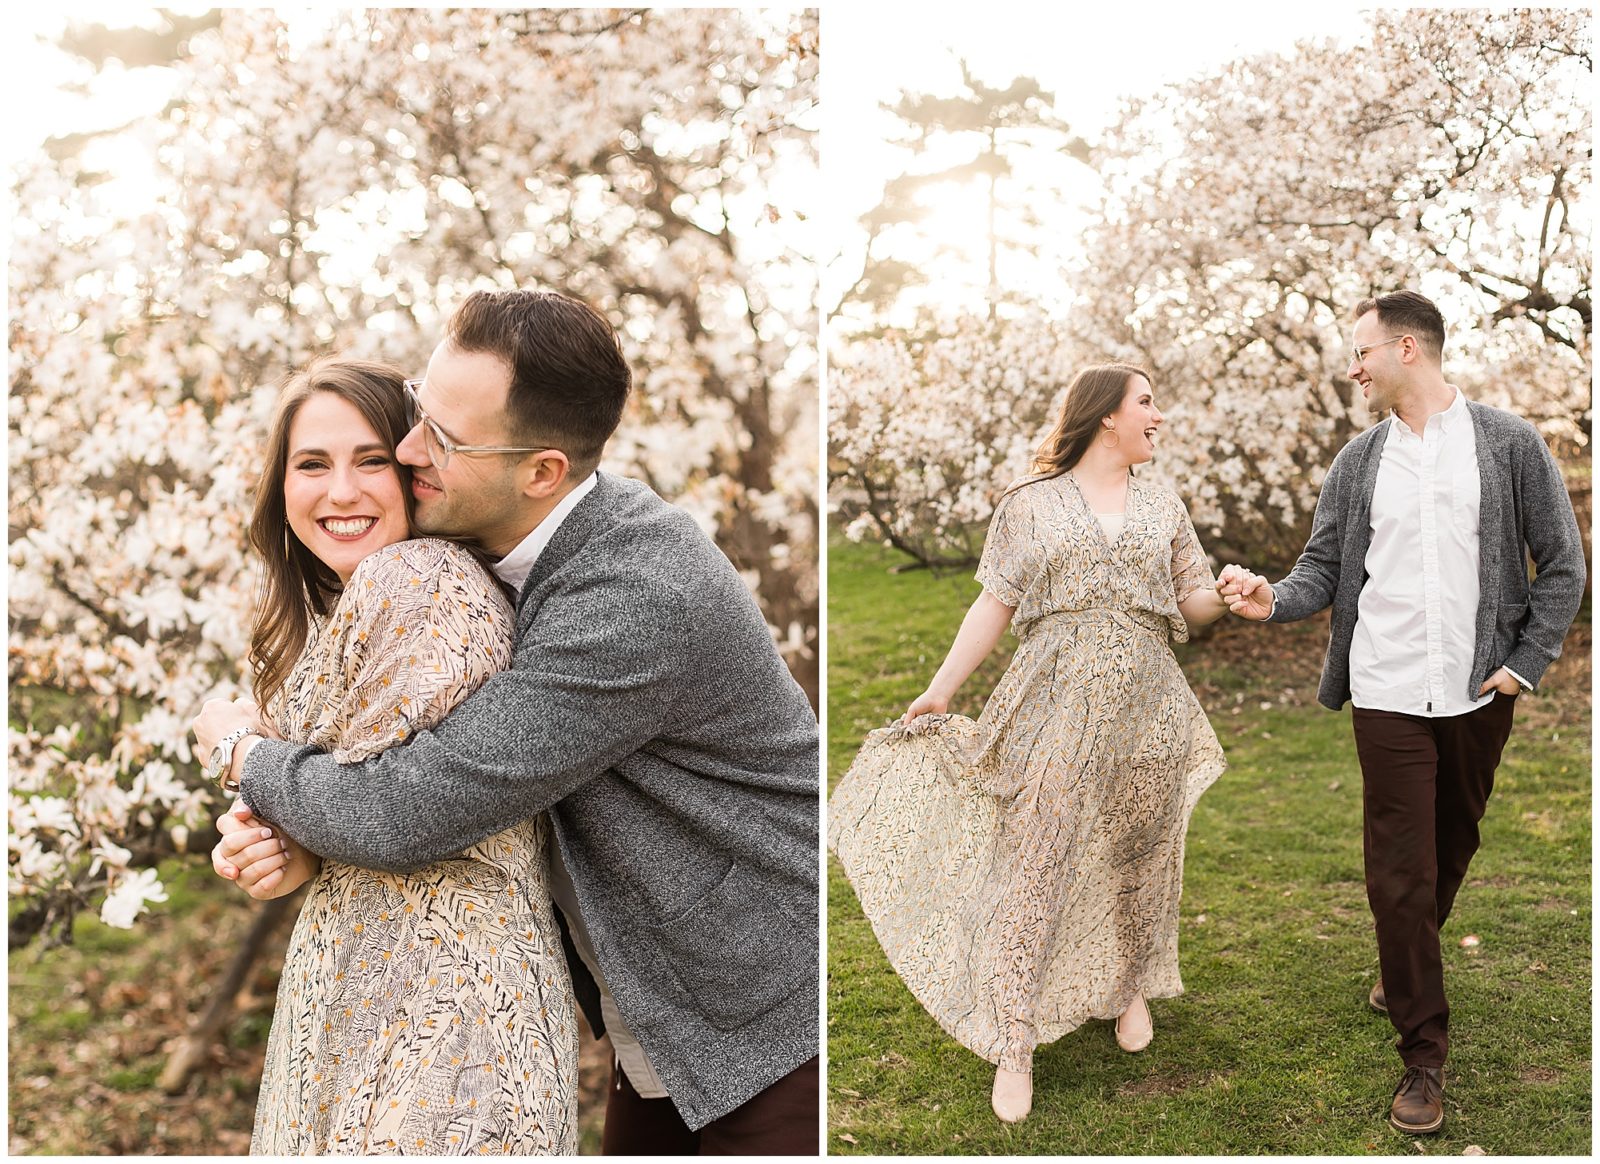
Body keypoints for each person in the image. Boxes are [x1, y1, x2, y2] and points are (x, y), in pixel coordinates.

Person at [193, 288, 820, 1155]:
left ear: (542, 473)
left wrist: (243, 753)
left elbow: (402, 811)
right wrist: (288, 832)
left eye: (442, 440)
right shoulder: (486, 552)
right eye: (418, 409)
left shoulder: (635, 597)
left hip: (765, 1018)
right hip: (665, 1019)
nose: (409, 450)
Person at [1217, 290, 1585, 1135]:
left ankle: (1401, 960)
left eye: (1362, 352)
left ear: (1407, 348)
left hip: (1476, 692)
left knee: (1452, 844)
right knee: (1399, 873)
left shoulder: (1509, 443)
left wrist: (1524, 665)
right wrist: (1272, 598)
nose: (1353, 368)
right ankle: (1423, 1057)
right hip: (1384, 689)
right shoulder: (1358, 462)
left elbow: (1564, 564)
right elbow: (1323, 569)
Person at [829, 363, 1233, 1124]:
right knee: (1036, 862)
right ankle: (1014, 1036)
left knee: (1140, 853)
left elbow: (1192, 601)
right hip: (1053, 702)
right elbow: (994, 602)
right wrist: (941, 690)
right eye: (1147, 402)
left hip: (1149, 704)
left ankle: (1128, 987)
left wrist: (1232, 597)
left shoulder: (1163, 504)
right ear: (1106, 415)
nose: (1159, 416)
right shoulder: (1030, 505)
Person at [207, 358, 578, 1153]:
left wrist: (236, 750)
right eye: (312, 464)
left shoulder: (416, 579)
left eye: (370, 460)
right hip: (367, 995)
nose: (341, 491)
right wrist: (275, 849)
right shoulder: (358, 603)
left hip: (440, 1019)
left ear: (415, 469)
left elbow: (377, 815)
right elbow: (351, 807)